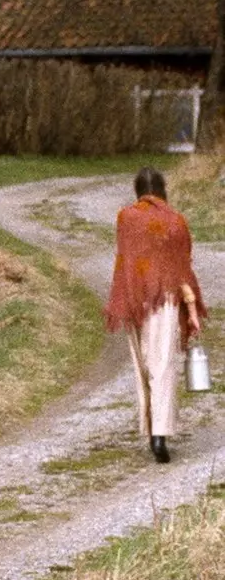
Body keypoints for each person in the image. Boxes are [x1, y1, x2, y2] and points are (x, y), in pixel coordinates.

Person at [104, 167, 206, 464]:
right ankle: (159, 434)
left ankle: (151, 429)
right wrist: (191, 308)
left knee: (142, 366)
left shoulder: (126, 218)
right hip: (166, 301)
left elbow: (126, 260)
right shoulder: (176, 222)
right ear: (163, 190)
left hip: (133, 299)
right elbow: (182, 268)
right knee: (162, 365)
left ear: (138, 190)